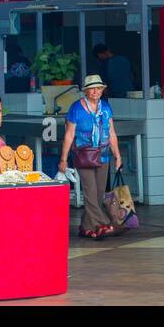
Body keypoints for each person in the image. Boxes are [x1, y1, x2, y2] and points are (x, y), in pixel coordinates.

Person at [59, 73, 124, 240]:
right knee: (90, 192)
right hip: (84, 155)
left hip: (103, 155)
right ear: (85, 92)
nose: (96, 91)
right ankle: (108, 223)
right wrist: (64, 159)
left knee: (98, 194)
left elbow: (111, 133)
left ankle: (86, 227)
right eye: (92, 89)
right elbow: (69, 134)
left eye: (99, 88)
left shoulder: (106, 108)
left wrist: (117, 155)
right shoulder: (76, 108)